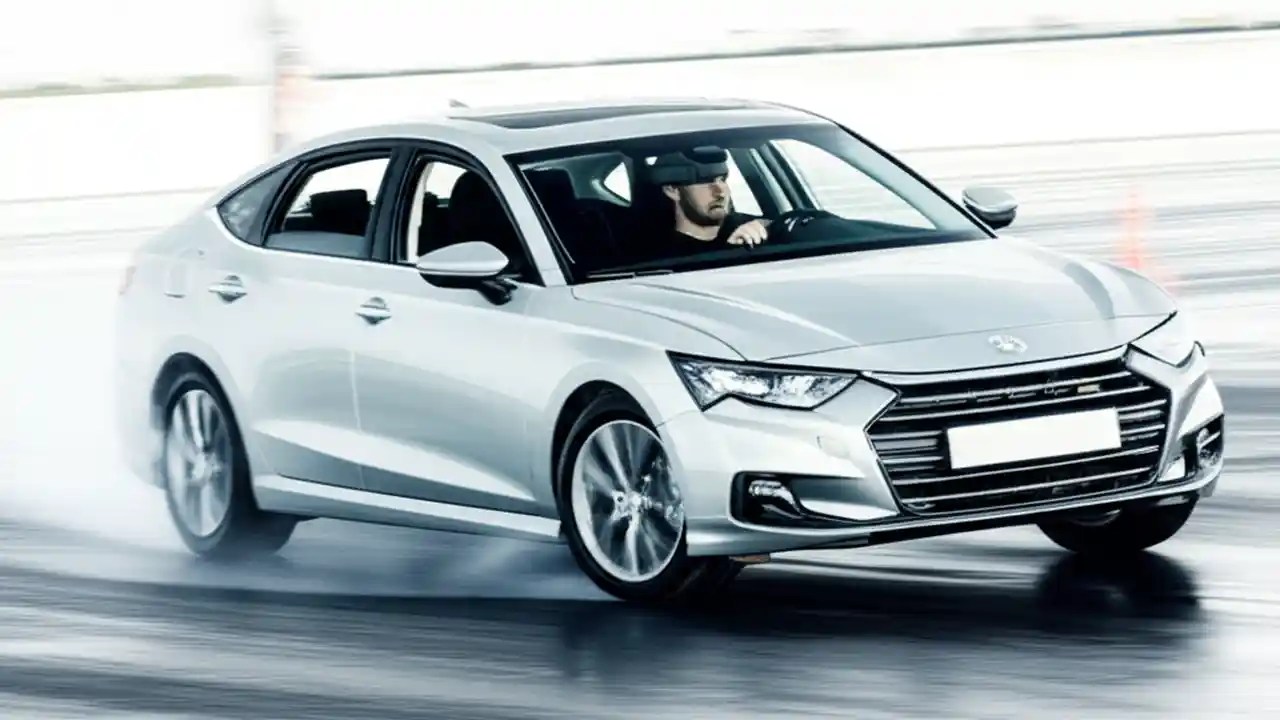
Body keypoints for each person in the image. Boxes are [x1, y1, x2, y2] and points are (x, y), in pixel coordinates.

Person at [644, 146, 773, 258]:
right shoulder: (659, 256)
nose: (720, 191)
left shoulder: (746, 225)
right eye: (706, 181)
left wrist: (767, 229)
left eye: (722, 179)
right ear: (672, 191)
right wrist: (732, 252)